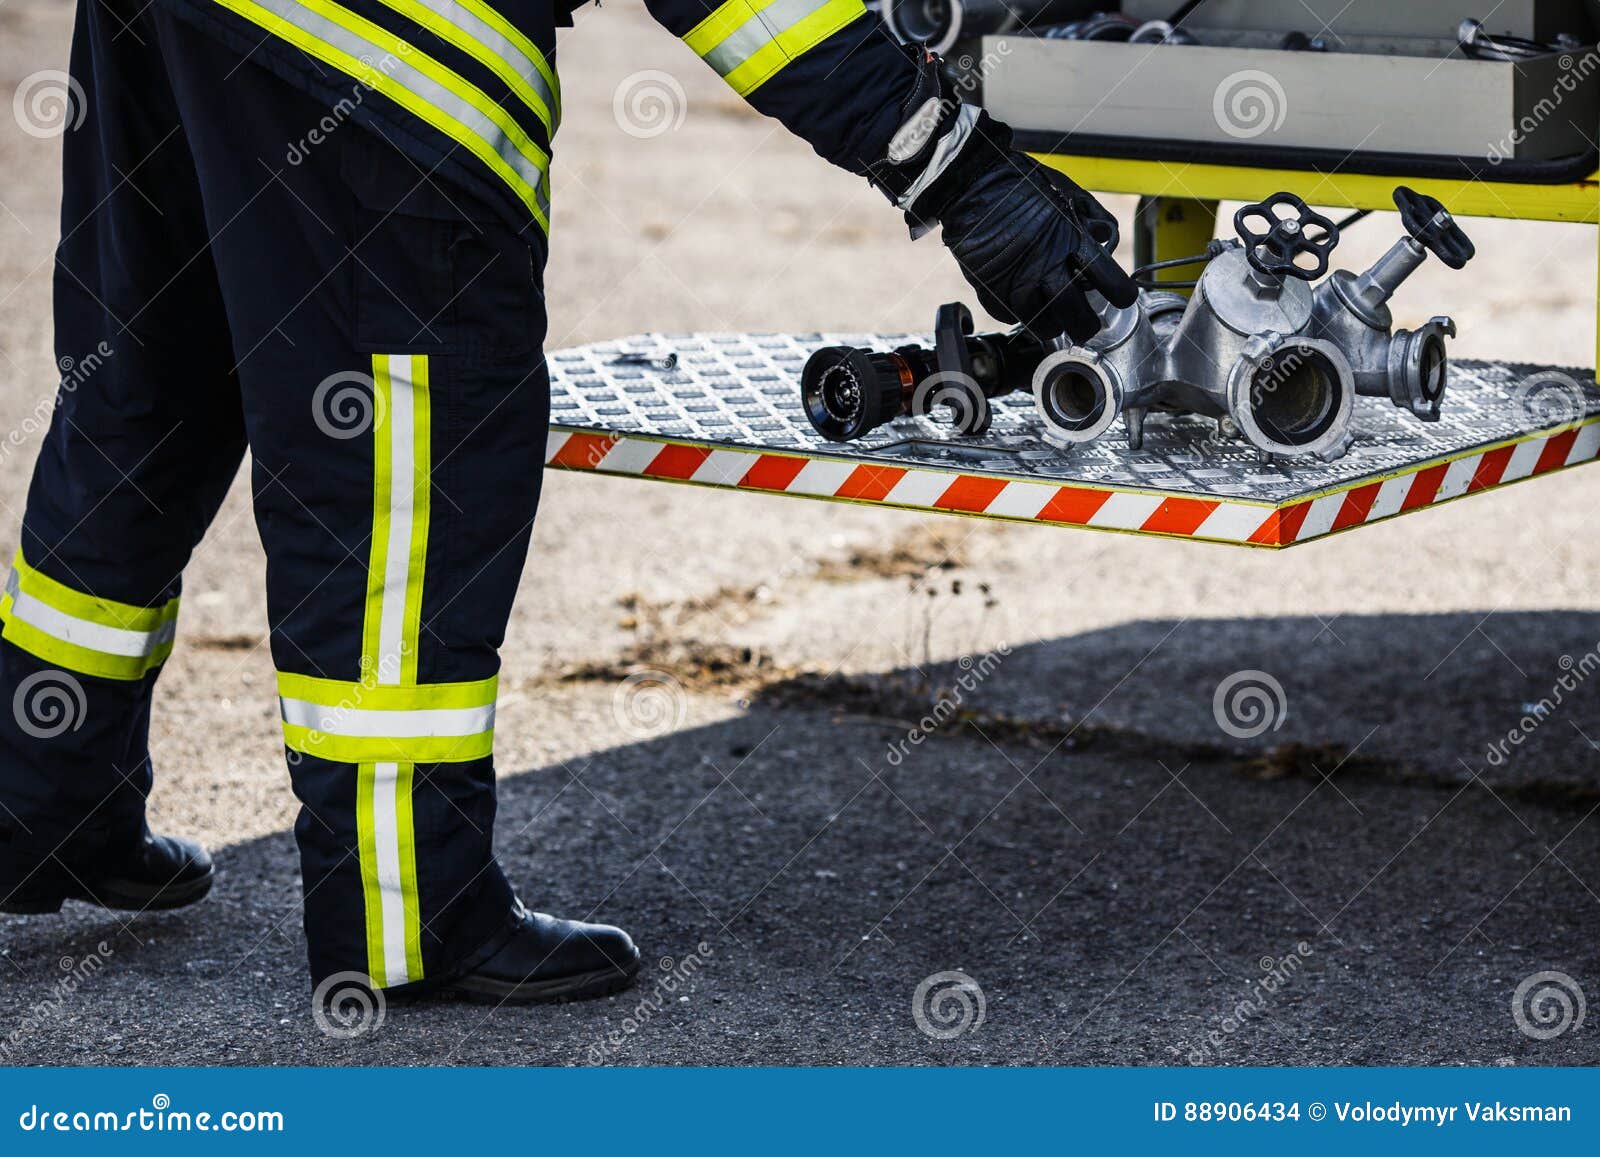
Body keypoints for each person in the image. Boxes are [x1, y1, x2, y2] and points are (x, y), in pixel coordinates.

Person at [0, 0, 1136, 1005]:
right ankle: (408, 916)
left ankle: (41, 799)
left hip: (166, 25)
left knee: (150, 385)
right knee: (404, 468)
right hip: (385, 54)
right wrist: (954, 169)